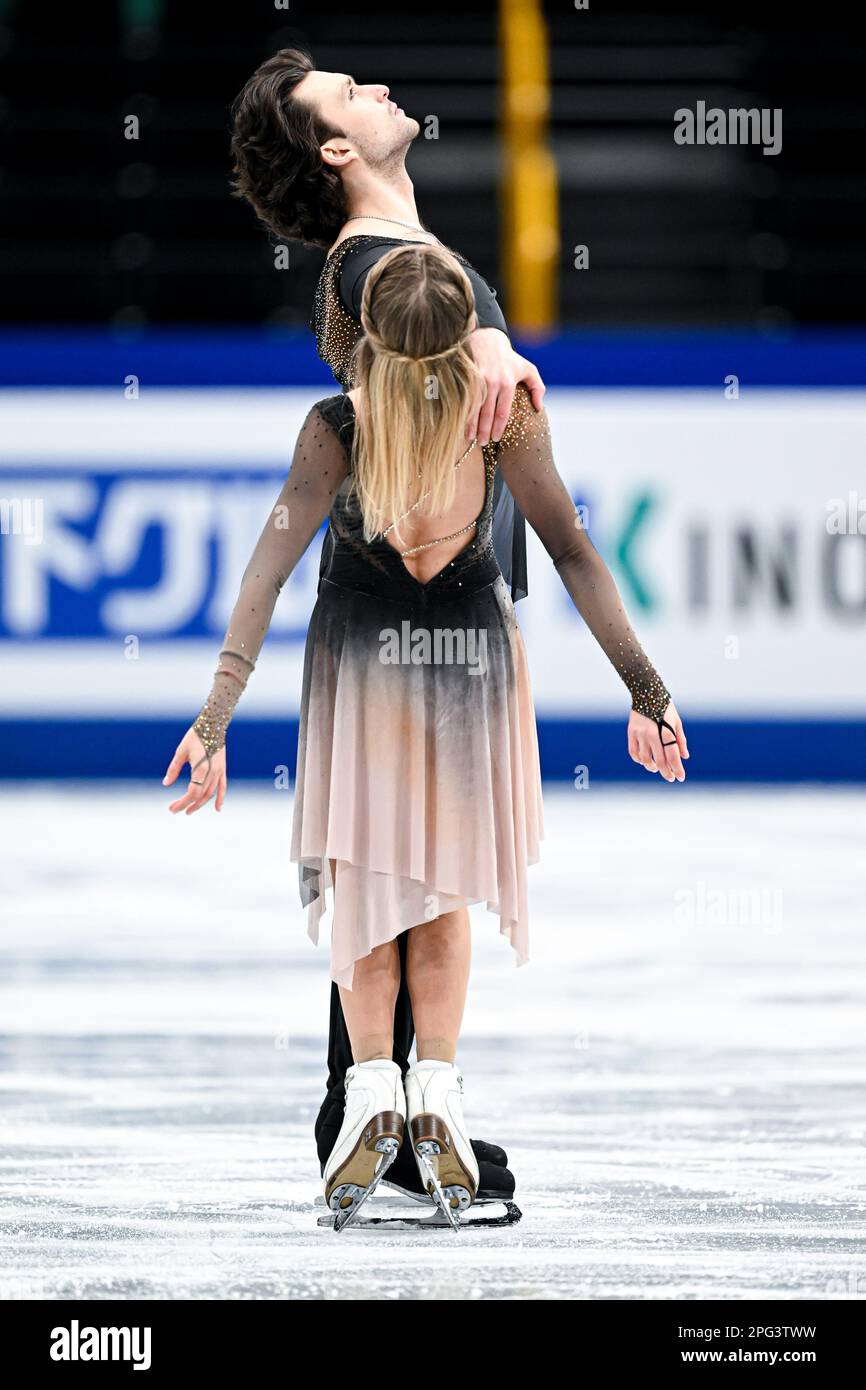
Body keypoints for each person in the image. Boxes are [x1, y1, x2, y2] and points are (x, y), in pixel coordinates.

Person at [163, 243, 688, 1227]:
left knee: (367, 880)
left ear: (365, 337)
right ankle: (436, 1087)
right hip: (465, 658)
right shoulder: (504, 415)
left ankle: (370, 1086)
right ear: (470, 336)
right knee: (441, 887)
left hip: (360, 657)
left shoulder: (335, 426)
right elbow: (571, 549)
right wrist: (646, 689)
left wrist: (214, 717)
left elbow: (264, 571)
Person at [225, 48, 551, 1197]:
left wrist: (488, 337)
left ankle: (370, 1102)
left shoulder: (402, 244)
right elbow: (396, 319)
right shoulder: (372, 261)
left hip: (425, 599)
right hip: (409, 606)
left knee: (394, 856)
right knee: (410, 861)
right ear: (334, 149)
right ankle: (375, 1105)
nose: (376, 91)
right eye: (347, 95)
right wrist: (489, 343)